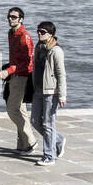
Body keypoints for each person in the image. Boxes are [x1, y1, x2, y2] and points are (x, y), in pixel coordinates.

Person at [0, 7, 37, 154]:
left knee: (12, 109)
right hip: (14, 74)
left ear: (21, 19)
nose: (10, 19)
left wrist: (8, 71)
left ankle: (31, 140)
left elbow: (27, 62)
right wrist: (8, 70)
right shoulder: (11, 33)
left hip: (22, 76)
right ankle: (23, 145)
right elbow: (15, 58)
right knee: (21, 110)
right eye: (9, 16)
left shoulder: (25, 37)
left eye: (14, 17)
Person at [30, 21, 68, 166]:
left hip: (51, 92)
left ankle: (49, 155)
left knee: (48, 123)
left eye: (43, 32)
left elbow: (61, 74)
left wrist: (62, 95)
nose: (39, 34)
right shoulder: (39, 47)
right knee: (34, 121)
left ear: (51, 34)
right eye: (38, 31)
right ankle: (58, 140)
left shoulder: (56, 51)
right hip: (38, 89)